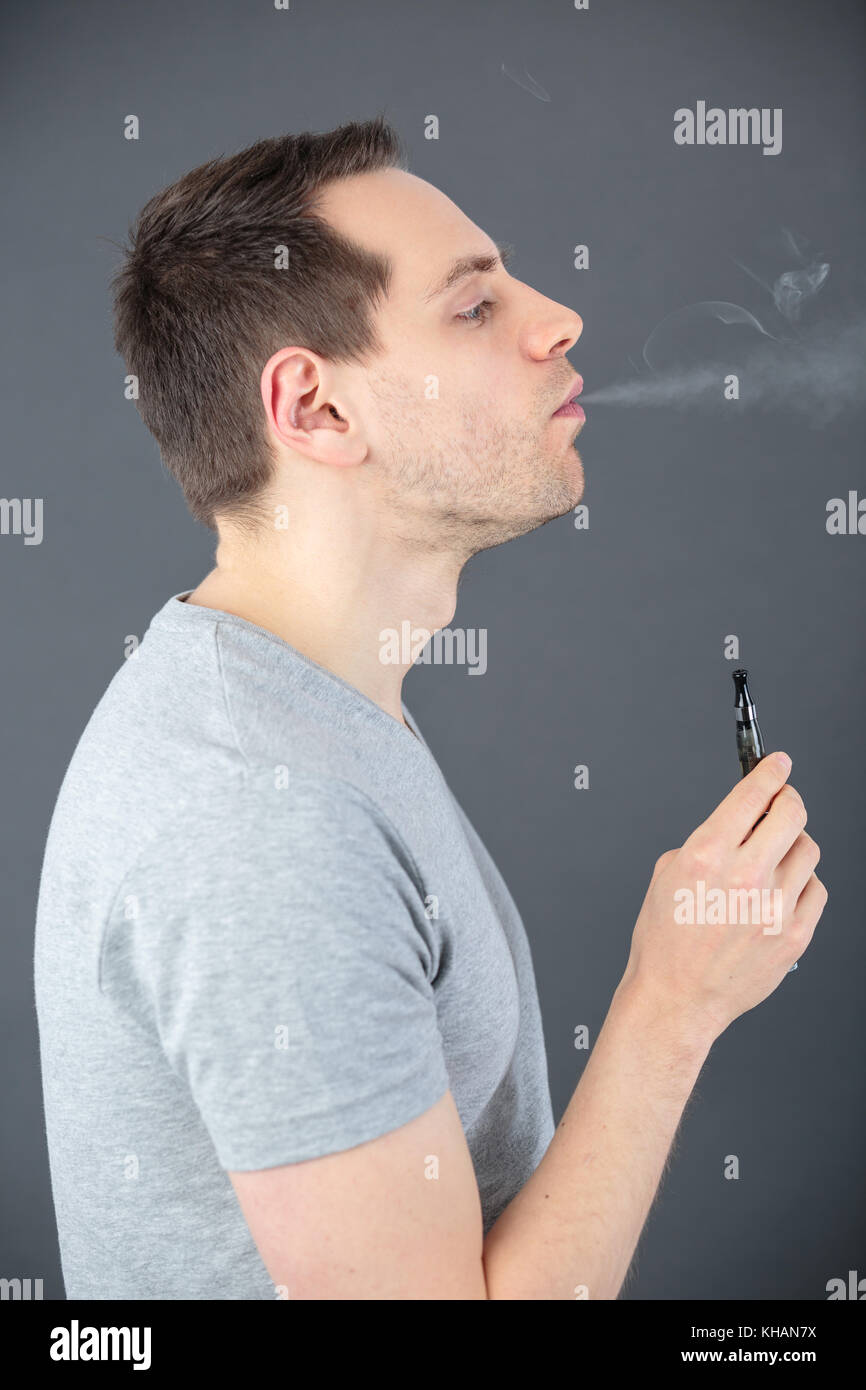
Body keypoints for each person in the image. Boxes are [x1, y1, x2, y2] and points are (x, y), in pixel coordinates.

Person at [34, 116, 826, 1300]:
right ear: (315, 411)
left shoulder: (309, 709)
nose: (557, 320)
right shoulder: (261, 822)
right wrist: (669, 1006)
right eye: (472, 307)